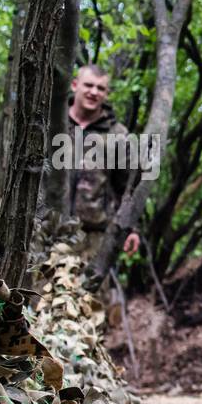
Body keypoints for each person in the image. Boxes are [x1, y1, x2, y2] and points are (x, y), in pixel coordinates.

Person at [65, 64, 141, 260]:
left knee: (85, 291)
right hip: (45, 230)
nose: (93, 92)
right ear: (75, 85)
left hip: (93, 237)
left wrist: (132, 228)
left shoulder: (118, 134)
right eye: (88, 85)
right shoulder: (54, 121)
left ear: (106, 94)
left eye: (100, 88)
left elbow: (127, 186)